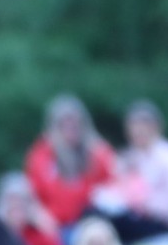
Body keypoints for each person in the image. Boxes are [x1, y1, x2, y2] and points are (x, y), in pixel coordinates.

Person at [94, 99, 168, 245]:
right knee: (95, 214)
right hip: (138, 218)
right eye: (133, 129)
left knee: (109, 225)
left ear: (155, 127)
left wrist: (141, 202)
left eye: (141, 128)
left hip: (164, 224)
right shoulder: (134, 155)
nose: (136, 133)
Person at [24, 94, 117, 234]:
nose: (70, 128)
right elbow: (30, 193)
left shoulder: (98, 152)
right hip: (55, 228)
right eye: (64, 124)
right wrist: (38, 214)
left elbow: (113, 186)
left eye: (75, 123)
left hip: (92, 225)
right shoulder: (42, 155)